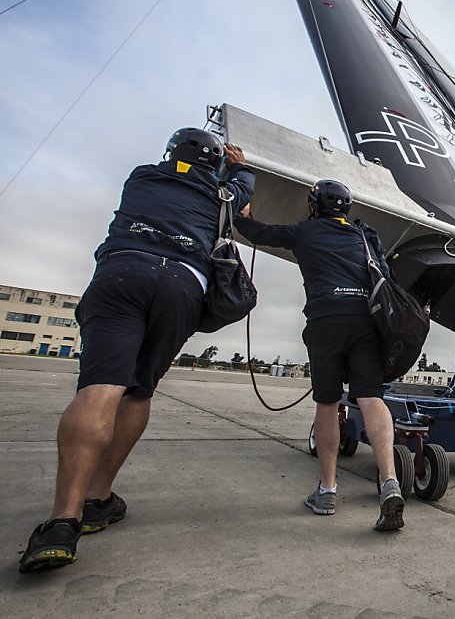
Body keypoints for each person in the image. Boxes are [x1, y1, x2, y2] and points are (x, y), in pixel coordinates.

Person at [18, 128, 254, 573]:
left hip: (122, 271)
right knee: (139, 392)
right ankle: (98, 499)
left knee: (98, 390)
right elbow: (244, 195)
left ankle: (60, 522)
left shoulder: (141, 177)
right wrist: (237, 166)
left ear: (170, 154)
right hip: (182, 283)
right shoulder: (223, 193)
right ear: (215, 165)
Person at [234, 179, 404, 532]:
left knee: (327, 403)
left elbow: (256, 232)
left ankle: (327, 491)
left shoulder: (304, 232)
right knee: (371, 397)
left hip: (326, 320)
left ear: (315, 206)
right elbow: (385, 274)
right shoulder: (364, 236)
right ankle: (389, 481)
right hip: (365, 320)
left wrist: (244, 210)